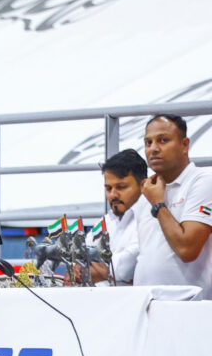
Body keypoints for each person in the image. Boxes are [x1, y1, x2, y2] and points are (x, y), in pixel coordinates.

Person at [133, 114, 212, 299]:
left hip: (189, 306)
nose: (153, 149)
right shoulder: (148, 191)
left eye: (163, 140)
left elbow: (187, 249)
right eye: (148, 142)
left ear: (185, 145)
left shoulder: (203, 180)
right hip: (145, 304)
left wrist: (159, 205)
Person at [87, 149, 145, 285]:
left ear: (143, 185)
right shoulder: (107, 220)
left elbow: (124, 269)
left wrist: (100, 270)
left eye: (121, 187)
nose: (113, 195)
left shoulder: (149, 218)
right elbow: (81, 259)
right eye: (108, 188)